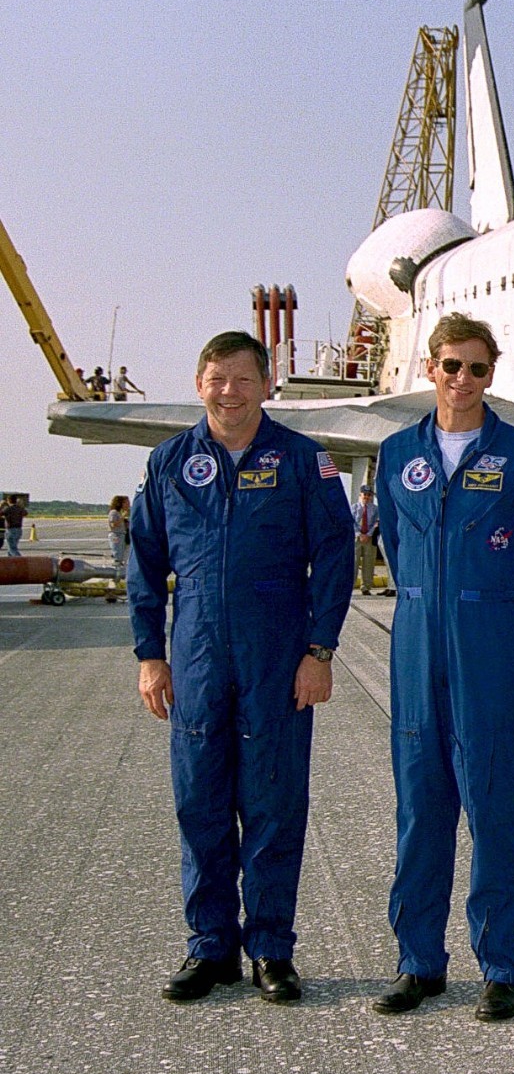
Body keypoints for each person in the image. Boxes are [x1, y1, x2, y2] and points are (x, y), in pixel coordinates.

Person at [127, 331, 353, 1004]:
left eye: (243, 379)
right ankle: (211, 947)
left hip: (277, 657)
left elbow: (334, 555)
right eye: (217, 379)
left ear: (266, 385)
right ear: (200, 384)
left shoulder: (303, 460)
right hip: (197, 656)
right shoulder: (170, 462)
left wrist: (319, 651)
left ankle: (271, 949)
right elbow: (145, 564)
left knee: (273, 805)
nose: (230, 392)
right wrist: (150, 655)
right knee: (199, 802)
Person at [371, 313, 514, 1023]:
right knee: (420, 812)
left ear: (490, 375)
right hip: (418, 650)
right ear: (431, 368)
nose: (462, 379)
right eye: (451, 365)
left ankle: (501, 965)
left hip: (491, 654)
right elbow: (396, 547)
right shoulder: (397, 455)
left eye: (477, 368)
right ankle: (418, 962)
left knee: (495, 812)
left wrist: (505, 635)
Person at [351, 484, 380, 595]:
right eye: (364, 494)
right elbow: (351, 521)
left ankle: (366, 587)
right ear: (360, 495)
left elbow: (376, 522)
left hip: (369, 538)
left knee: (369, 563)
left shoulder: (375, 509)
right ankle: (351, 585)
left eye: (369, 495)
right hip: (356, 539)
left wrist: (368, 534)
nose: (366, 497)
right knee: (354, 562)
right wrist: (359, 534)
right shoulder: (354, 507)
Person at [107, 495, 130, 581]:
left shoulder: (119, 513)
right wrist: (123, 517)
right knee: (117, 556)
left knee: (123, 555)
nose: (128, 504)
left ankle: (121, 575)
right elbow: (113, 525)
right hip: (116, 535)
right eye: (126, 503)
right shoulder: (114, 512)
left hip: (122, 535)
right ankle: (115, 577)